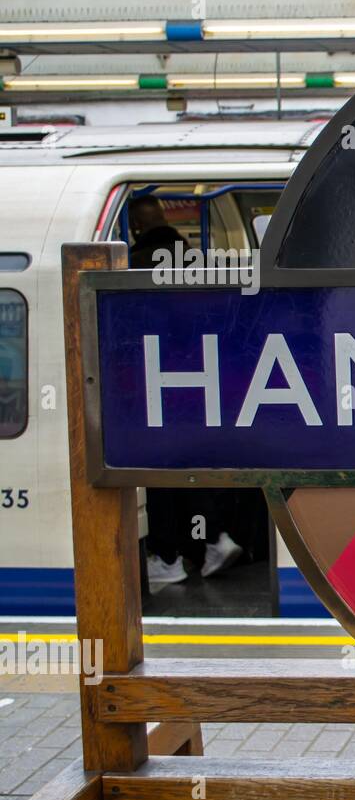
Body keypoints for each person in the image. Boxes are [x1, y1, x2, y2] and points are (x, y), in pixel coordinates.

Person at [126, 195, 246, 592]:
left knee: (162, 474)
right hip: (200, 374)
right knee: (196, 464)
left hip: (156, 377)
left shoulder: (136, 259)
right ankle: (214, 538)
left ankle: (169, 557)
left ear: (137, 226)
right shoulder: (192, 256)